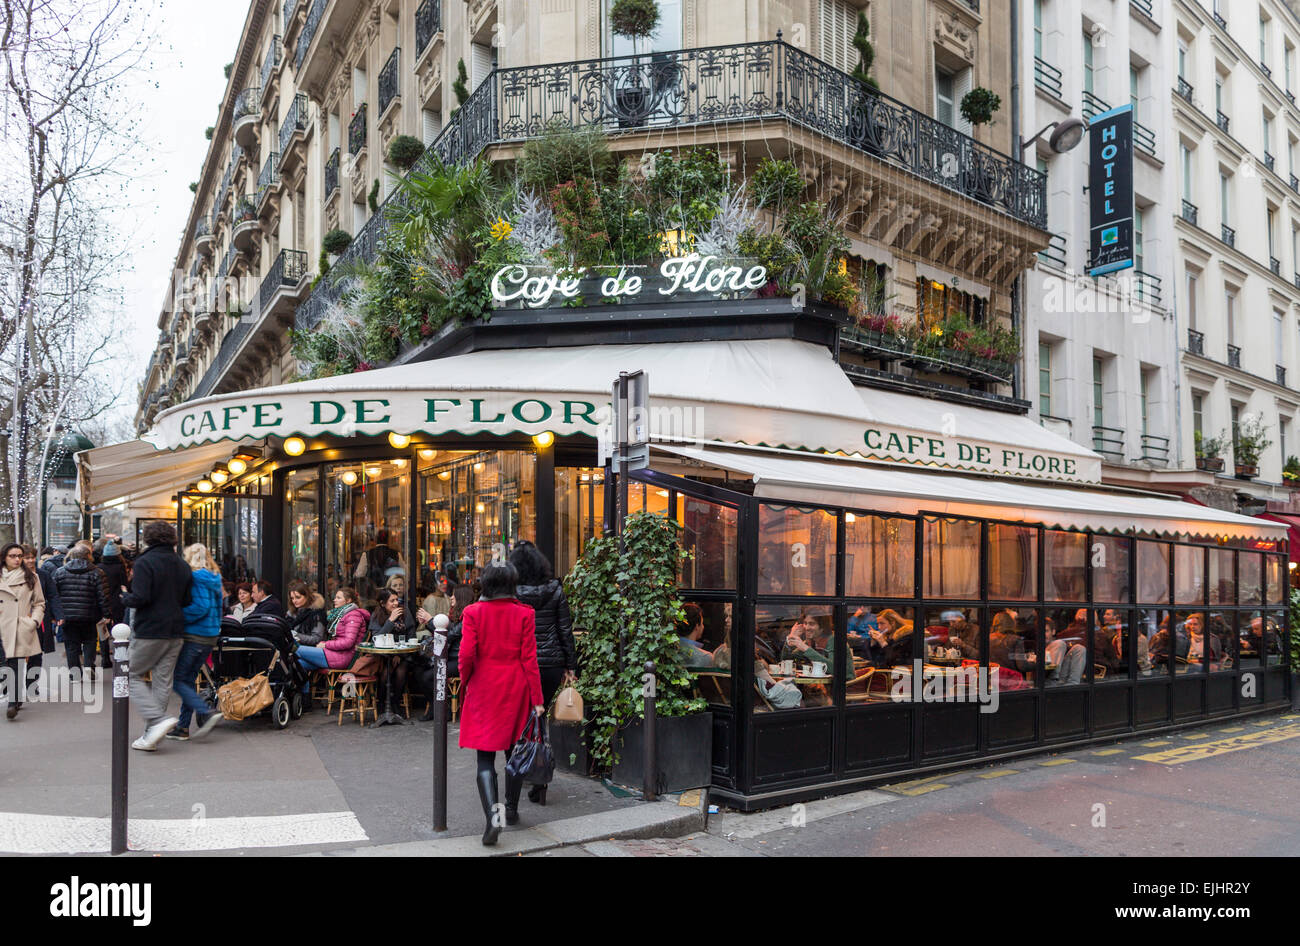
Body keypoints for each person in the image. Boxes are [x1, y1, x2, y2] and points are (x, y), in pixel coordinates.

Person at [457, 562, 543, 846]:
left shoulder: (472, 612)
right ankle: (512, 809)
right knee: (514, 753)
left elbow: (467, 654)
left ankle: (494, 817)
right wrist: (538, 700)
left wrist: (465, 680)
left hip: (484, 686)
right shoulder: (524, 613)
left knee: (485, 757)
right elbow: (530, 659)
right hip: (516, 686)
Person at [510, 540, 577, 805]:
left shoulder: (512, 592)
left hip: (522, 665)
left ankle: (527, 768)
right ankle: (540, 774)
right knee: (540, 716)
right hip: (550, 665)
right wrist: (571, 665)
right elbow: (565, 629)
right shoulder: (555, 590)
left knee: (522, 719)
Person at [120, 520, 192, 751]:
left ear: (148, 538)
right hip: (176, 629)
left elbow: (141, 597)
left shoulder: (144, 562)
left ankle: (156, 721)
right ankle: (152, 734)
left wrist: (125, 597)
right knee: (163, 681)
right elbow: (187, 601)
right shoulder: (182, 565)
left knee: (129, 674)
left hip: (150, 629)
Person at [168, 544, 224, 741]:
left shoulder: (197, 577)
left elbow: (200, 607)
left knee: (179, 680)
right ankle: (183, 727)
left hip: (195, 635)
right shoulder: (214, 578)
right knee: (188, 680)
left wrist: (178, 615)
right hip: (209, 635)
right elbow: (217, 608)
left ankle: (205, 711)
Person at [53, 544, 111, 684]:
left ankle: (74, 675)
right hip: (90, 614)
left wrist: (56, 614)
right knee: (90, 641)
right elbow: (103, 596)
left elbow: (55, 595)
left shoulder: (60, 572)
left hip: (68, 615)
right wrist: (107, 614)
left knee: (71, 645)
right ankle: (88, 665)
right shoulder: (97, 572)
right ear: (89, 556)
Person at [1, 543, 46, 719]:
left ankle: (13, 702)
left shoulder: (31, 577)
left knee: (15, 663)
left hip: (19, 626)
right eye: (12, 556)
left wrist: (33, 621)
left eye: (19, 556)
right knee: (4, 665)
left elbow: (39, 603)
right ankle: (14, 695)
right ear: (4, 557)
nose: (17, 559)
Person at [294, 587, 369, 682]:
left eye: (338, 598)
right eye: (335, 597)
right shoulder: (342, 614)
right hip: (335, 654)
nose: (334, 600)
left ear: (348, 600)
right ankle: (304, 695)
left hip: (343, 657)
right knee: (299, 663)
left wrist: (325, 645)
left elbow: (348, 642)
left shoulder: (353, 615)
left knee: (296, 649)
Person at [98, 541, 128, 673]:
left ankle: (105, 659)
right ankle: (119, 656)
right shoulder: (120, 567)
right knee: (120, 631)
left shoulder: (99, 567)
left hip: (102, 601)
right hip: (117, 602)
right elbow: (124, 585)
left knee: (103, 631)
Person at [286, 581, 327, 645]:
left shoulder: (316, 614)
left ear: (307, 596)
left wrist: (296, 635)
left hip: (310, 649)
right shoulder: (291, 613)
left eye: (298, 597)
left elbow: (317, 638)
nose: (294, 601)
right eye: (292, 598)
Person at [676, 603, 713, 668]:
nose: (703, 627)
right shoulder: (706, 658)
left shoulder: (666, 652)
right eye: (702, 623)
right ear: (696, 626)